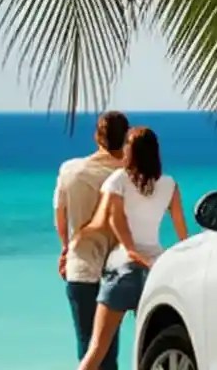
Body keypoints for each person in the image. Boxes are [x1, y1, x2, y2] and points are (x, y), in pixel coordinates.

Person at [76, 126, 188, 370]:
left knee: (96, 349)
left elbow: (113, 221)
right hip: (154, 271)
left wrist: (78, 236)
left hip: (123, 269)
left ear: (130, 151)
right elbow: (181, 232)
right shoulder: (169, 185)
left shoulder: (118, 180)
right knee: (150, 350)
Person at [54, 111, 130, 370]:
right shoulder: (131, 176)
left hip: (82, 267)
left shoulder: (70, 171)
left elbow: (61, 217)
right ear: (126, 138)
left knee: (87, 348)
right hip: (120, 270)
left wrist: (66, 249)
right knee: (108, 351)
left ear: (97, 136)